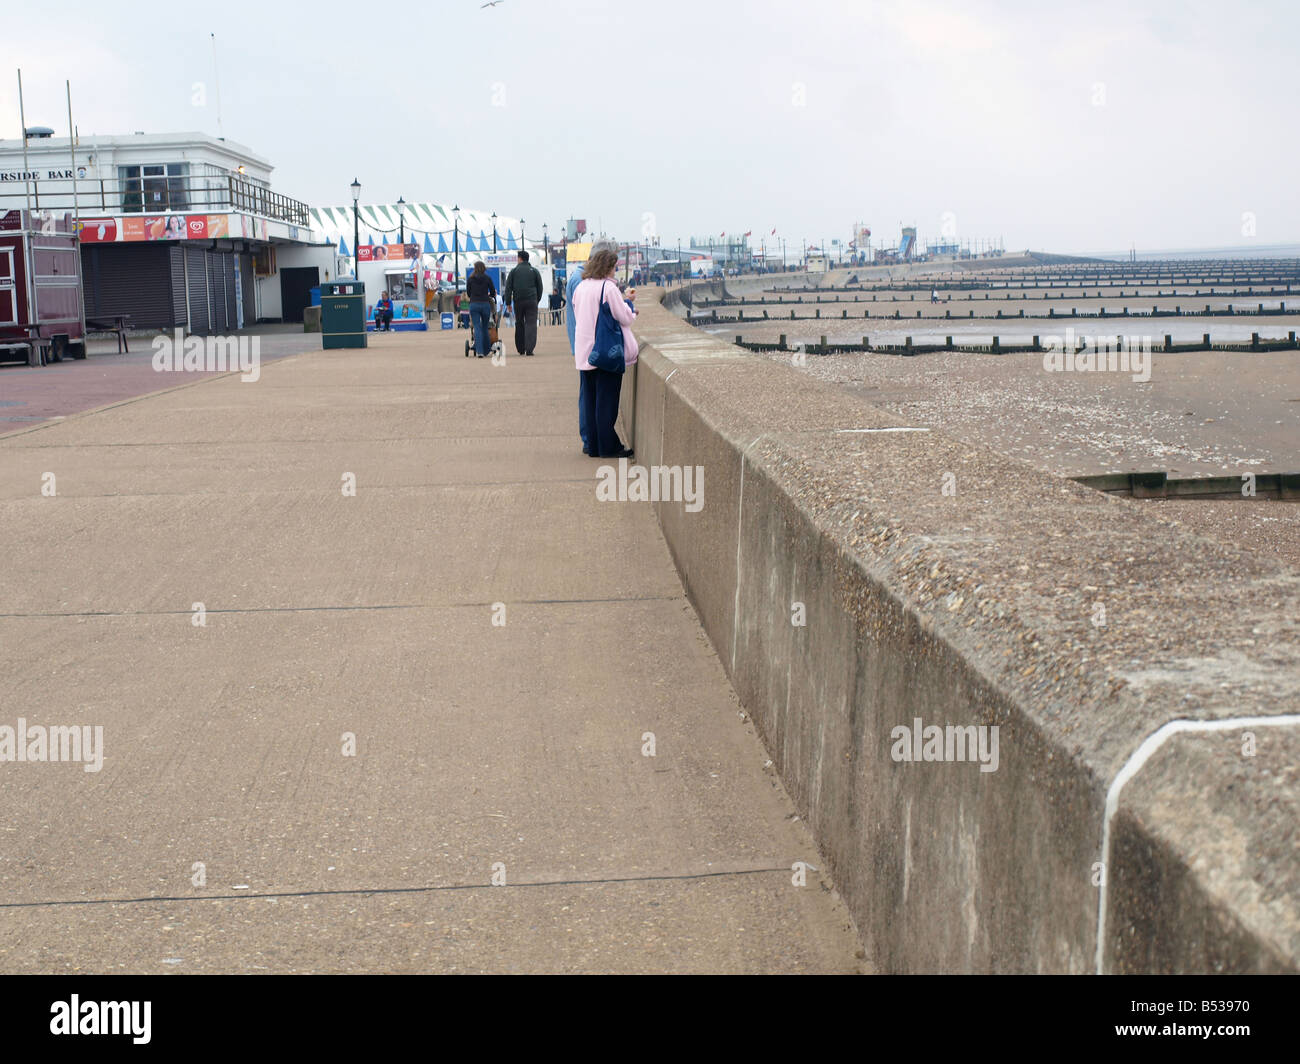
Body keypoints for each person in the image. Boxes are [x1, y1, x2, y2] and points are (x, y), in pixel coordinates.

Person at [572, 245, 637, 459]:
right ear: (607, 267)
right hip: (605, 352)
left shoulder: (581, 286)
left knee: (590, 402)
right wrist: (630, 307)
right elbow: (624, 317)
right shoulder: (608, 288)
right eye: (614, 267)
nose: (615, 272)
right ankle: (609, 447)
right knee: (606, 402)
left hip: (584, 351)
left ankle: (593, 446)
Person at [504, 249, 544, 356]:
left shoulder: (514, 271)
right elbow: (540, 287)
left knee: (519, 323)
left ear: (520, 259)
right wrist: (537, 299)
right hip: (532, 300)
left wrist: (508, 303)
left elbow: (508, 288)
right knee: (531, 323)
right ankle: (529, 349)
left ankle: (521, 348)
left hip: (518, 301)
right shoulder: (534, 271)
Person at [465, 262, 496, 357]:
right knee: (485, 327)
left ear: (475, 268)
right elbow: (492, 291)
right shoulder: (488, 278)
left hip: (474, 304)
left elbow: (469, 293)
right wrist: (488, 296)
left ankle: (479, 351)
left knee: (477, 327)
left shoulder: (470, 279)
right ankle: (486, 350)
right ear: (484, 268)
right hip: (485, 304)